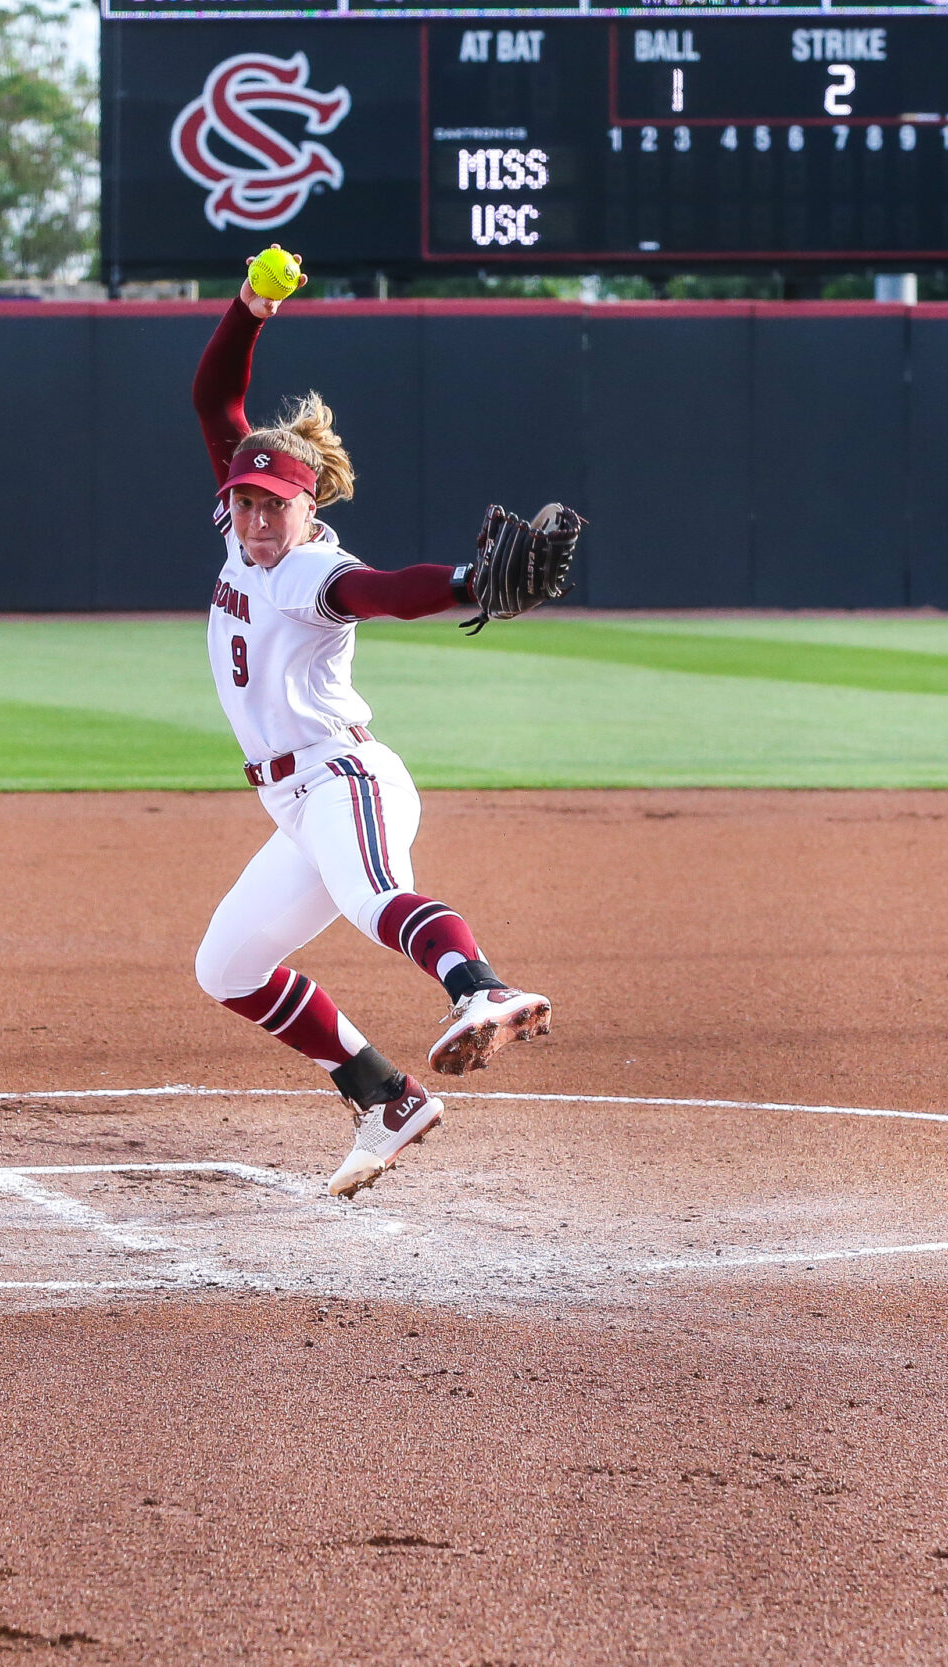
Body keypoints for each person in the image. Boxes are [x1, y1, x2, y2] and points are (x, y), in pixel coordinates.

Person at [191, 246, 552, 1199]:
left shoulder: (313, 571)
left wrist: (473, 581)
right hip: (293, 802)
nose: (260, 518)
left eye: (276, 504)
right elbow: (215, 400)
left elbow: (388, 592)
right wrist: (250, 305)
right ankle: (385, 1097)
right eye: (247, 500)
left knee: (372, 897)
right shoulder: (239, 535)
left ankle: (482, 987)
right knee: (227, 964)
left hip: (344, 777)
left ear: (309, 509)